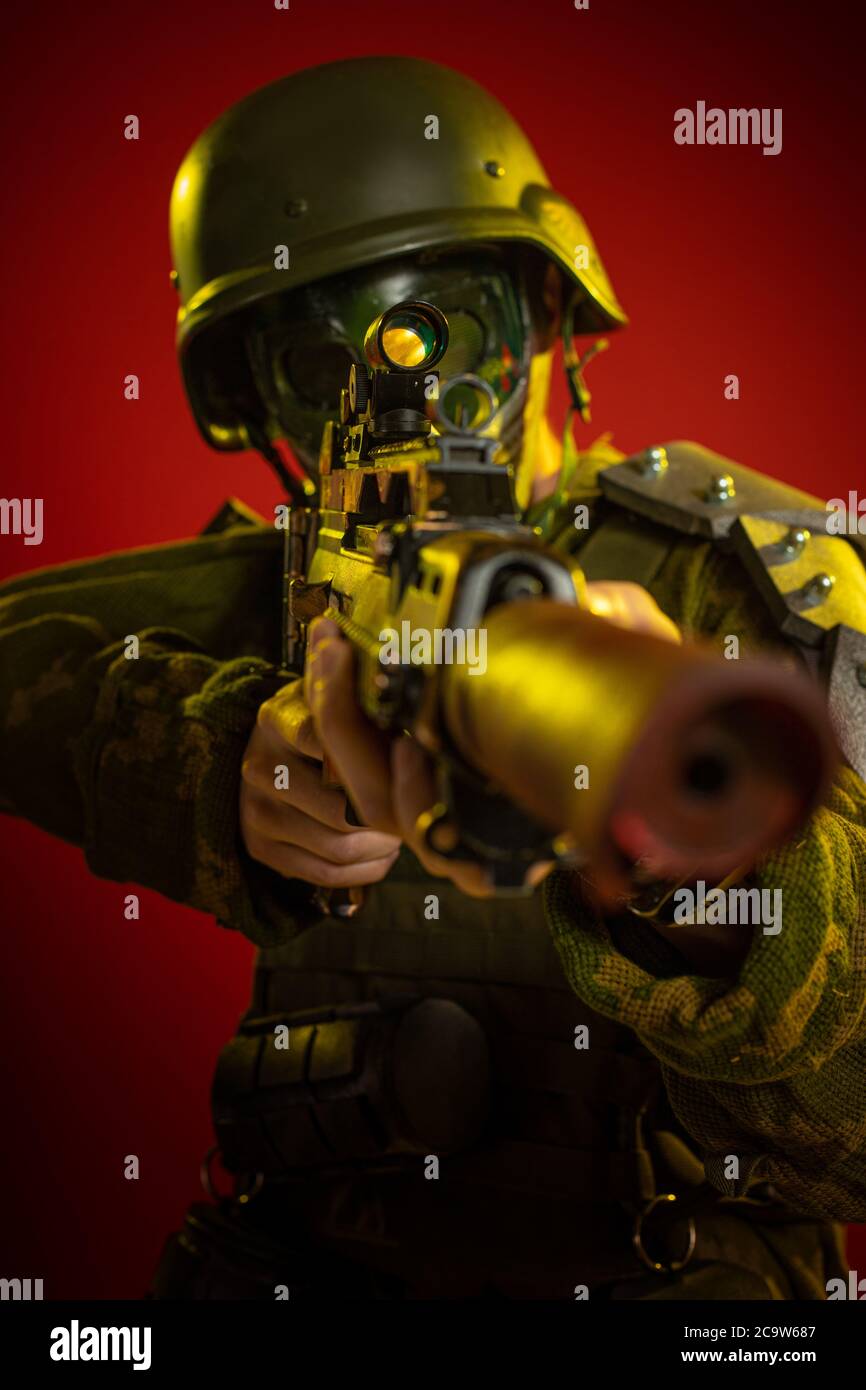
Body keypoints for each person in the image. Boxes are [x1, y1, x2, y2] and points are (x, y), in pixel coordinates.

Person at [1, 57, 864, 1300]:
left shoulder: (753, 582)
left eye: (445, 326)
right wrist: (213, 769)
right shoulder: (285, 590)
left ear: (544, 315)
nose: (393, 400)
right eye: (317, 366)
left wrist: (699, 869)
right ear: (255, 402)